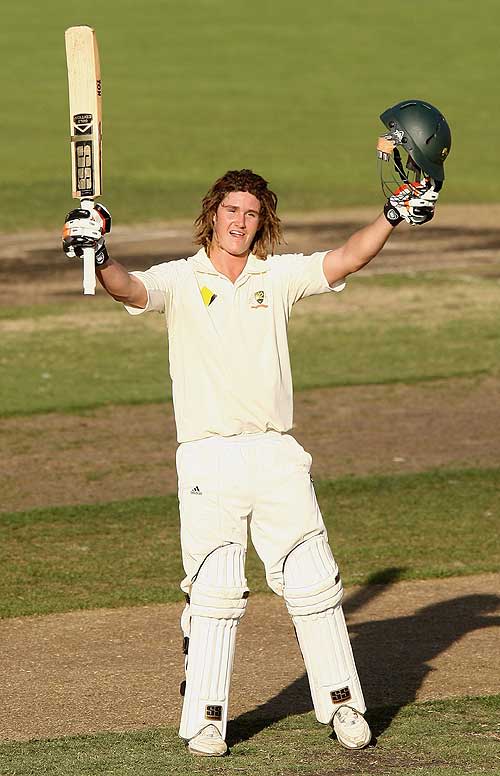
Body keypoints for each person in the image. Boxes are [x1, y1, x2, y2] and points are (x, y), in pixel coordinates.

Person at [62, 144, 442, 756]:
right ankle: (208, 720)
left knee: (314, 583)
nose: (240, 222)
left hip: (275, 453)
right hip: (209, 459)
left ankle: (344, 706)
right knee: (215, 592)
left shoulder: (277, 277)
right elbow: (128, 290)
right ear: (211, 215)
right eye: (231, 210)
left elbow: (346, 258)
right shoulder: (181, 280)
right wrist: (97, 252)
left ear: (262, 222)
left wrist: (394, 214)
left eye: (251, 213)